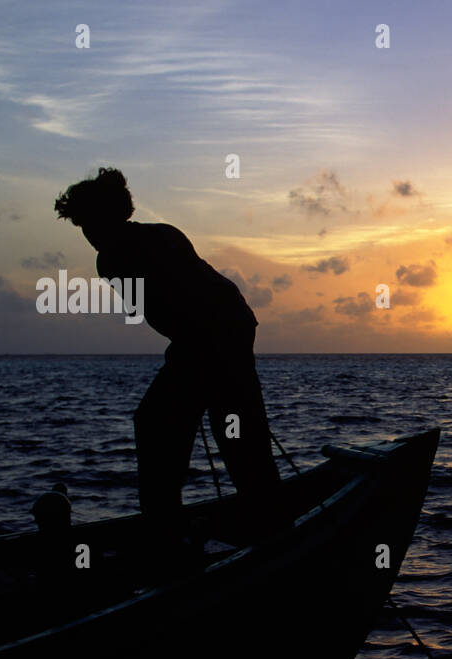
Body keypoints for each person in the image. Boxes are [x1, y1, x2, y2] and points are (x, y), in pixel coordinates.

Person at [53, 168, 285, 551]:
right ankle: (246, 522)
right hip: (219, 332)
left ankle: (173, 539)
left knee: (193, 426)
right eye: (81, 226)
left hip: (219, 334)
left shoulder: (121, 255)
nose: (87, 234)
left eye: (88, 223)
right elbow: (172, 311)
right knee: (213, 427)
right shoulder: (154, 237)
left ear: (109, 217)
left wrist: (191, 352)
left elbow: (175, 307)